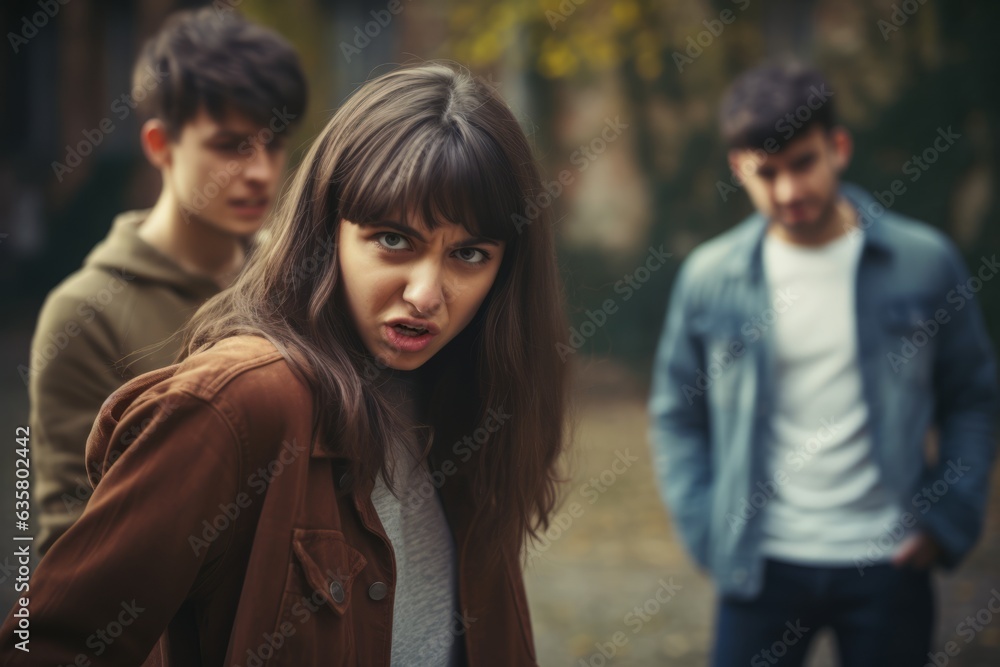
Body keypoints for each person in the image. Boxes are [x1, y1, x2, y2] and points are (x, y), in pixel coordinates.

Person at [0, 62, 568, 666]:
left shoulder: (477, 404)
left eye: (469, 254)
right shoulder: (237, 405)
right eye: (393, 240)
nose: (426, 294)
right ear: (327, 231)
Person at [648, 61, 997, 667]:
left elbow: (972, 397)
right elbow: (675, 414)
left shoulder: (923, 263)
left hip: (890, 564)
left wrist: (948, 519)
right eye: (766, 173)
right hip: (761, 568)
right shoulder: (711, 277)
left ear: (838, 147)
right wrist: (708, 529)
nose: (788, 191)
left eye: (803, 163)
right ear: (738, 169)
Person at [26, 7, 308, 555]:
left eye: (274, 143)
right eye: (230, 145)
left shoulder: (297, 274)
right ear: (160, 145)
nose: (260, 171)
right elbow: (73, 550)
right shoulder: (84, 314)